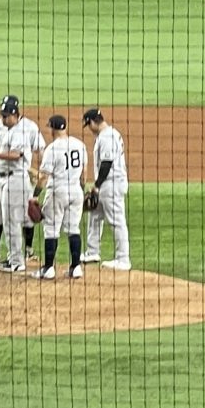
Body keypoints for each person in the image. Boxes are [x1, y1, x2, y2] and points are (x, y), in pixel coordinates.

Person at [0, 93, 43, 273]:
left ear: (15, 114)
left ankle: (17, 261)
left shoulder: (24, 130)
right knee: (6, 219)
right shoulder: (0, 126)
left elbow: (16, 155)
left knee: (13, 220)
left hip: (15, 179)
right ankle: (13, 258)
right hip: (2, 178)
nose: (3, 119)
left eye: (6, 116)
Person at [31, 115, 86, 281]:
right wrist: (82, 192)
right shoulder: (80, 144)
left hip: (58, 191)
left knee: (51, 229)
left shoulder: (52, 149)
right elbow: (84, 174)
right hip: (76, 190)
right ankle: (76, 267)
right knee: (73, 228)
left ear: (52, 128)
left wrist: (34, 196)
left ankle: (48, 268)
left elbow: (43, 177)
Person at [80, 107, 131, 269]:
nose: (89, 129)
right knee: (95, 216)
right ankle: (92, 252)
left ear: (93, 122)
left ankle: (123, 259)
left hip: (112, 183)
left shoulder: (108, 136)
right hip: (106, 183)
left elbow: (106, 164)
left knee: (117, 221)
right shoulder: (106, 135)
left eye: (88, 125)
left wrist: (96, 185)